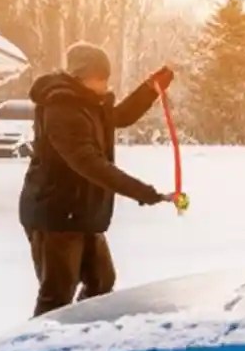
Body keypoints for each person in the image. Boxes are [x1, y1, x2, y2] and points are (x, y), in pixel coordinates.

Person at [19, 41, 175, 316]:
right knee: (57, 294)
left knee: (101, 281)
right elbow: (91, 164)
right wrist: (143, 192)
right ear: (80, 76)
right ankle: (38, 350)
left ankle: (82, 334)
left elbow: (119, 116)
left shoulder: (88, 102)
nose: (105, 84)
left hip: (81, 213)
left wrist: (149, 90)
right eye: (100, 78)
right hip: (55, 215)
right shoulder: (62, 108)